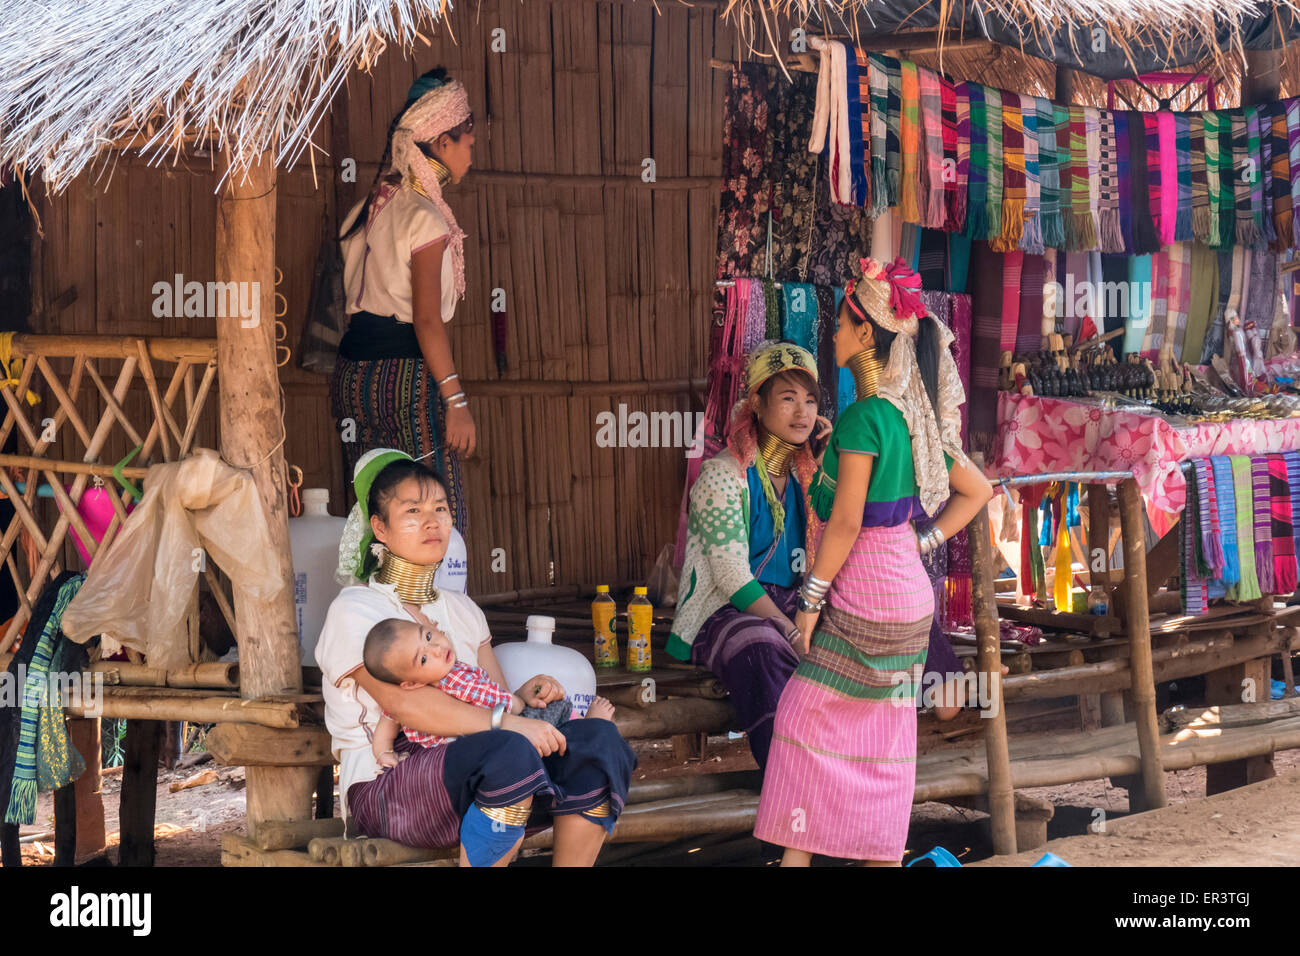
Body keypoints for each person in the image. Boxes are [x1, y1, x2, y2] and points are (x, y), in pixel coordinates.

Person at [753, 257, 994, 866]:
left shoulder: (865, 417)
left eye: (837, 325)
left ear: (865, 333)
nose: (830, 337)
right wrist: (921, 542)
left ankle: (797, 861)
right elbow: (978, 491)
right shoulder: (912, 417)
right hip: (909, 596)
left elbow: (847, 521)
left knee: (801, 720)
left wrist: (809, 601)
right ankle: (879, 857)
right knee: (884, 740)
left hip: (866, 595)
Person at [314, 448, 636, 867]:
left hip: (492, 773)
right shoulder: (356, 608)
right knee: (508, 750)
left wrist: (523, 697)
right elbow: (403, 703)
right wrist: (508, 724)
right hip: (389, 787)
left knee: (598, 741)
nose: (432, 522)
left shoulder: (463, 611)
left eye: (441, 509)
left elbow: (496, 699)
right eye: (412, 511)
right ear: (380, 527)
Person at [667, 341, 830, 773]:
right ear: (756, 404)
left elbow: (835, 544)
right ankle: (788, 777)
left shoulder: (807, 477)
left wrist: (830, 470)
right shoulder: (723, 474)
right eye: (788, 398)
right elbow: (729, 575)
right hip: (723, 609)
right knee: (762, 645)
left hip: (790, 602)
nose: (802, 413)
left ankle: (846, 768)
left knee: (853, 625)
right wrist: (791, 631)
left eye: (810, 400)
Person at [332, 66, 476, 532]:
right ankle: (434, 606)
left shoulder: (363, 210)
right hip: (405, 383)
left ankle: (377, 604)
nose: (472, 149)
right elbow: (427, 322)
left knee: (373, 511)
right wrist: (456, 402)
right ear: (440, 142)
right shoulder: (426, 219)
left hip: (354, 378)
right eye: (467, 138)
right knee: (435, 510)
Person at [362, 617, 616, 763]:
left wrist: (384, 752)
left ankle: (586, 731)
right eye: (424, 659)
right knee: (554, 723)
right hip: (483, 742)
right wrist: (385, 753)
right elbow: (387, 723)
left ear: (433, 625)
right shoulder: (442, 687)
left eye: (428, 637)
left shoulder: (453, 672)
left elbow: (389, 716)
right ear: (411, 683)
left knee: (549, 715)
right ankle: (590, 730)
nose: (437, 649)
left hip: (500, 726)